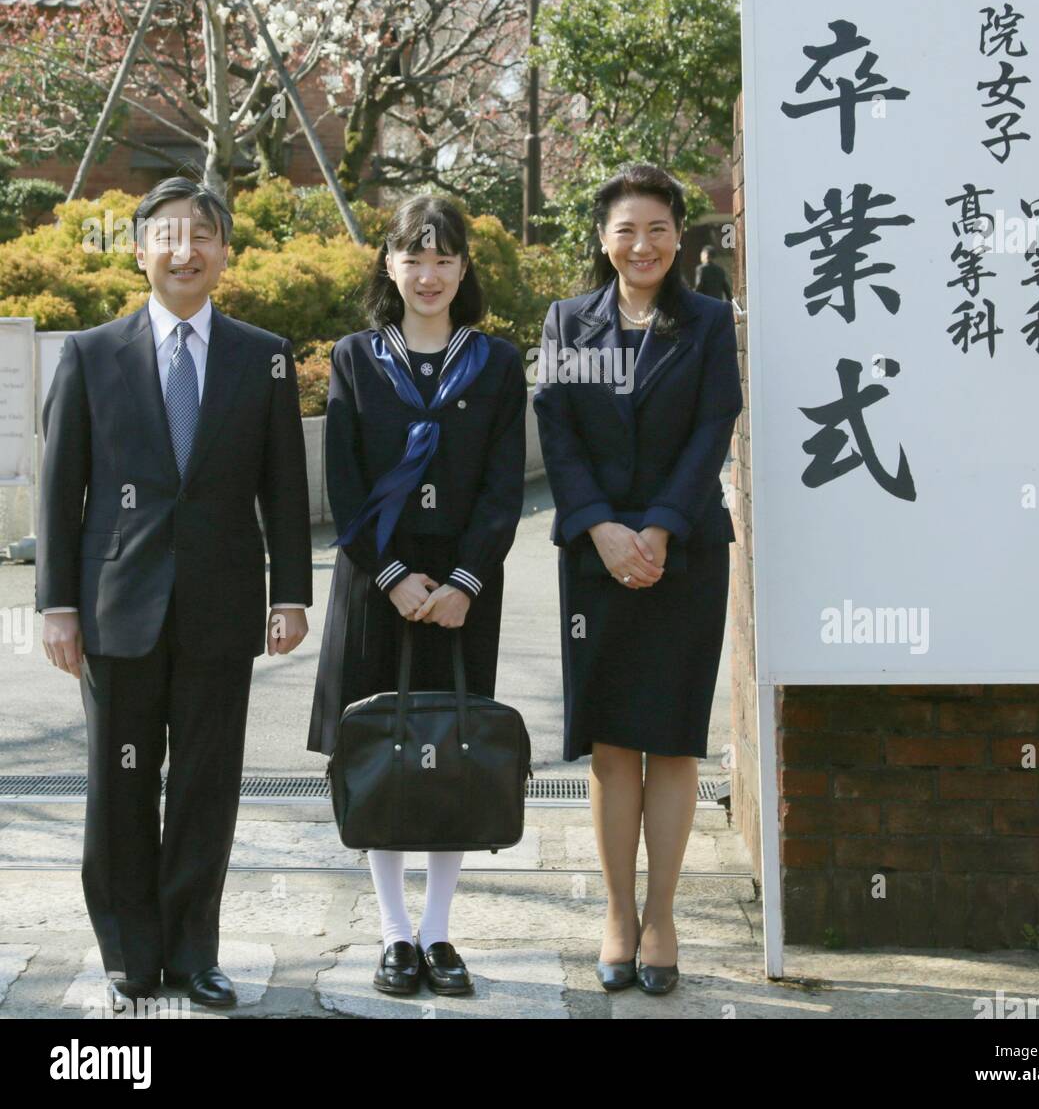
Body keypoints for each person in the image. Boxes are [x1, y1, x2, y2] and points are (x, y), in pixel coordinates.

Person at [37, 177, 312, 1012]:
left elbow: (287, 490)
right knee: (118, 783)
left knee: (204, 783)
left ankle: (195, 951)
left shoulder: (262, 354)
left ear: (225, 252)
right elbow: (60, 492)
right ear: (139, 249)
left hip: (223, 608)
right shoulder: (90, 354)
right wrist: (56, 606)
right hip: (116, 608)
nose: (184, 250)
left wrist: (292, 593)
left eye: (202, 236)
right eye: (167, 235)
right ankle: (130, 949)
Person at [308, 194, 527, 998]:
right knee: (383, 754)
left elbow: (505, 489)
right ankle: (393, 933)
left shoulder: (497, 363)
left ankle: (440, 931)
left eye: (443, 258)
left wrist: (465, 581)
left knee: (451, 749)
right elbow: (344, 480)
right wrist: (394, 577)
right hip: (378, 580)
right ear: (389, 264)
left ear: (464, 268)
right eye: (413, 255)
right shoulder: (356, 358)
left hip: (466, 585)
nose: (427, 273)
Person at [533, 163, 743, 996]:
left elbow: (713, 425)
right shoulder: (567, 323)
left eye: (658, 228)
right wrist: (604, 527)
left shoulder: (708, 322)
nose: (643, 243)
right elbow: (555, 427)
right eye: (626, 229)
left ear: (678, 235)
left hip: (684, 552)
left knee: (674, 744)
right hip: (595, 556)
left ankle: (663, 916)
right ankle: (618, 914)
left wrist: (656, 526)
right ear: (601, 238)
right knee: (614, 744)